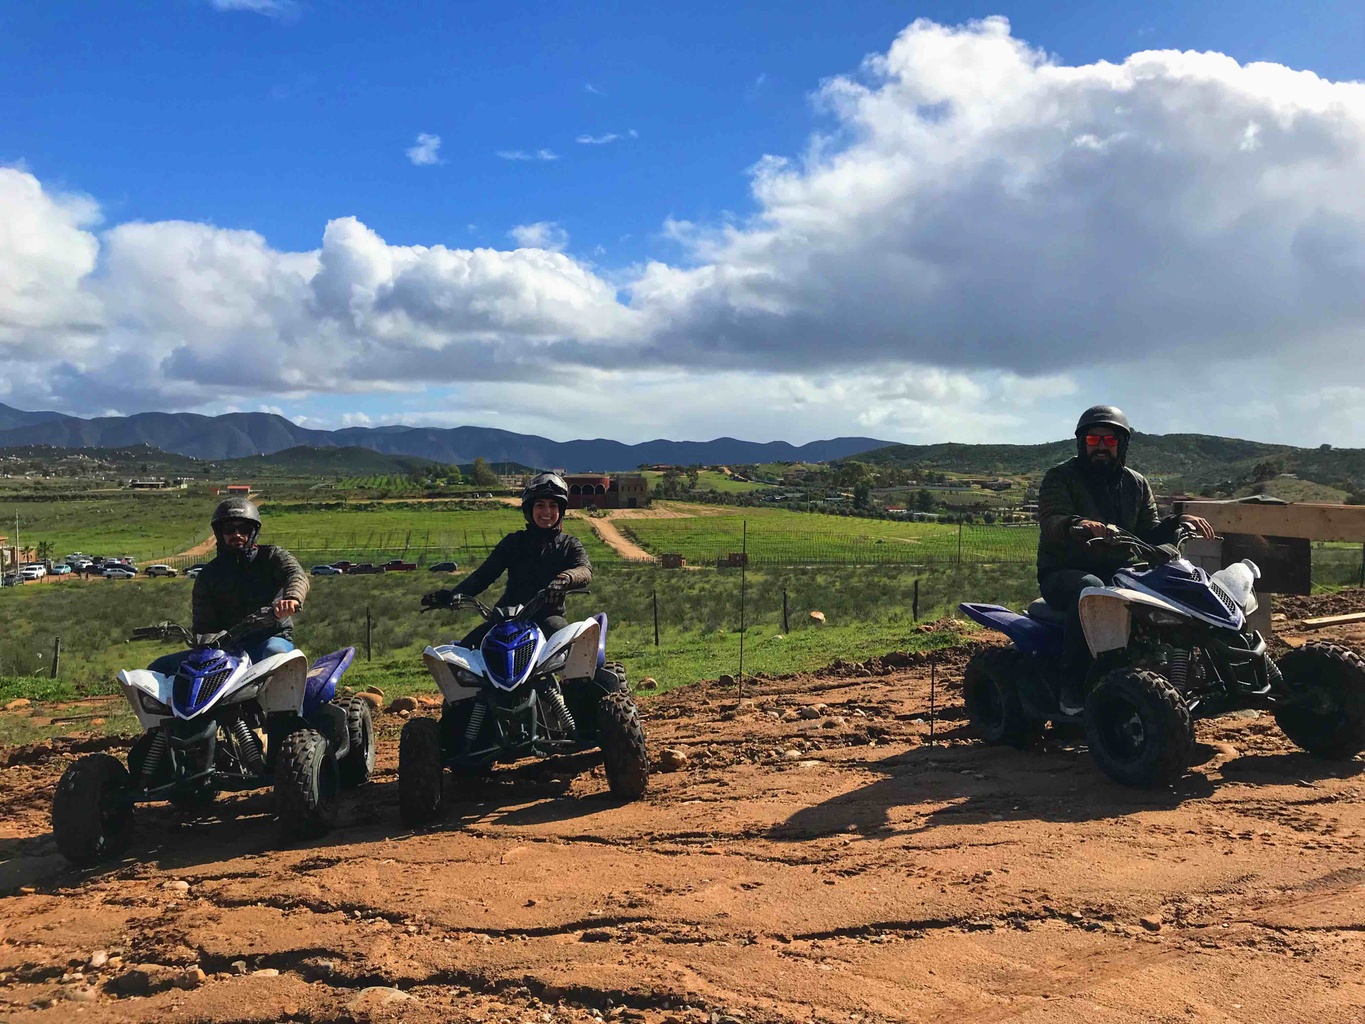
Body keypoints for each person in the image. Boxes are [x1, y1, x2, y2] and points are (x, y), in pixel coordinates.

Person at [1037, 405, 1214, 715]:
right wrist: (1077, 525)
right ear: (1083, 443)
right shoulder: (1060, 477)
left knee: (1166, 585)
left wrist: (1178, 521)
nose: (1102, 446)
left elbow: (1149, 532)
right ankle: (1072, 688)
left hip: (1120, 572)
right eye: (1094, 440)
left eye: (1110, 440)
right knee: (1091, 590)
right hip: (1064, 571)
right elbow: (1052, 520)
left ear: (1121, 444)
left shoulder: (1135, 483)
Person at [423, 472, 591, 648]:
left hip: (548, 618)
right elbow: (483, 576)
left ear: (560, 511)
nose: (546, 511)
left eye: (553, 505)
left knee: (574, 655)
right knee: (462, 656)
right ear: (529, 510)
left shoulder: (569, 544)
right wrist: (451, 595)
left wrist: (566, 578)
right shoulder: (513, 542)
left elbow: (584, 569)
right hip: (506, 619)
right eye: (540, 505)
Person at [149, 497, 310, 676]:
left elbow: (295, 574)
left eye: (244, 528)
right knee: (159, 668)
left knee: (277, 659)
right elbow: (203, 626)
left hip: (269, 637)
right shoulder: (208, 575)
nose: (237, 534)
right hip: (225, 648)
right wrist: (207, 640)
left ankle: (294, 705)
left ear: (254, 532)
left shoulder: (272, 557)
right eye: (229, 529)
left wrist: (292, 598)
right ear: (219, 533)